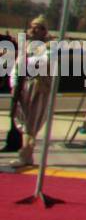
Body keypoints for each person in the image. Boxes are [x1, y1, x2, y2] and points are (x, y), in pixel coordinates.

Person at [8, 16, 55, 167]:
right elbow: (17, 67)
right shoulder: (27, 46)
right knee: (23, 122)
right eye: (32, 26)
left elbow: (42, 62)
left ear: (44, 31)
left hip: (39, 87)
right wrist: (14, 84)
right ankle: (26, 155)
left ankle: (25, 155)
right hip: (24, 87)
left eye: (37, 27)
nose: (33, 30)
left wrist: (26, 58)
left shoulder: (50, 46)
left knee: (31, 124)